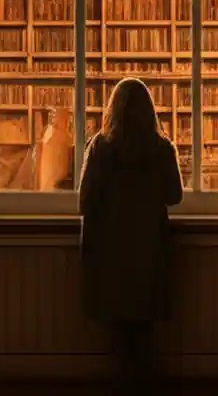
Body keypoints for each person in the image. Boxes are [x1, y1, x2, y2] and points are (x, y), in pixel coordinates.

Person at [79, 77, 184, 395]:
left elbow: (85, 202)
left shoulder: (99, 147)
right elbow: (175, 196)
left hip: (110, 252)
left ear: (113, 110)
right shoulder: (161, 149)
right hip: (149, 249)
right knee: (144, 332)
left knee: (119, 336)